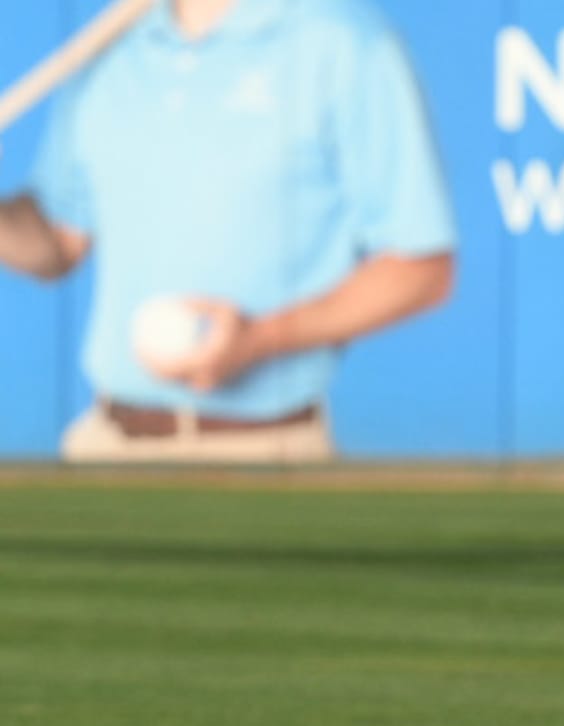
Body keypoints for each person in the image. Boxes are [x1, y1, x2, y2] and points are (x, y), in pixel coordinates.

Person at [0, 0, 455, 463]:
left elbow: (422, 268)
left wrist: (257, 338)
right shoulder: (108, 45)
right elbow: (58, 240)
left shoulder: (345, 42)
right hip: (105, 443)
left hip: (264, 452)